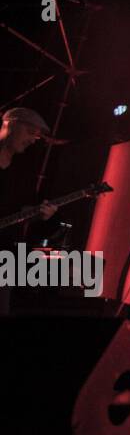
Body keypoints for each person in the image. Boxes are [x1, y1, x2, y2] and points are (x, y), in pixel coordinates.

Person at [0, 108, 63, 316]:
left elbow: (27, 213)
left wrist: (45, 216)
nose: (34, 139)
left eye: (36, 136)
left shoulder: (24, 173)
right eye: (30, 131)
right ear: (10, 124)